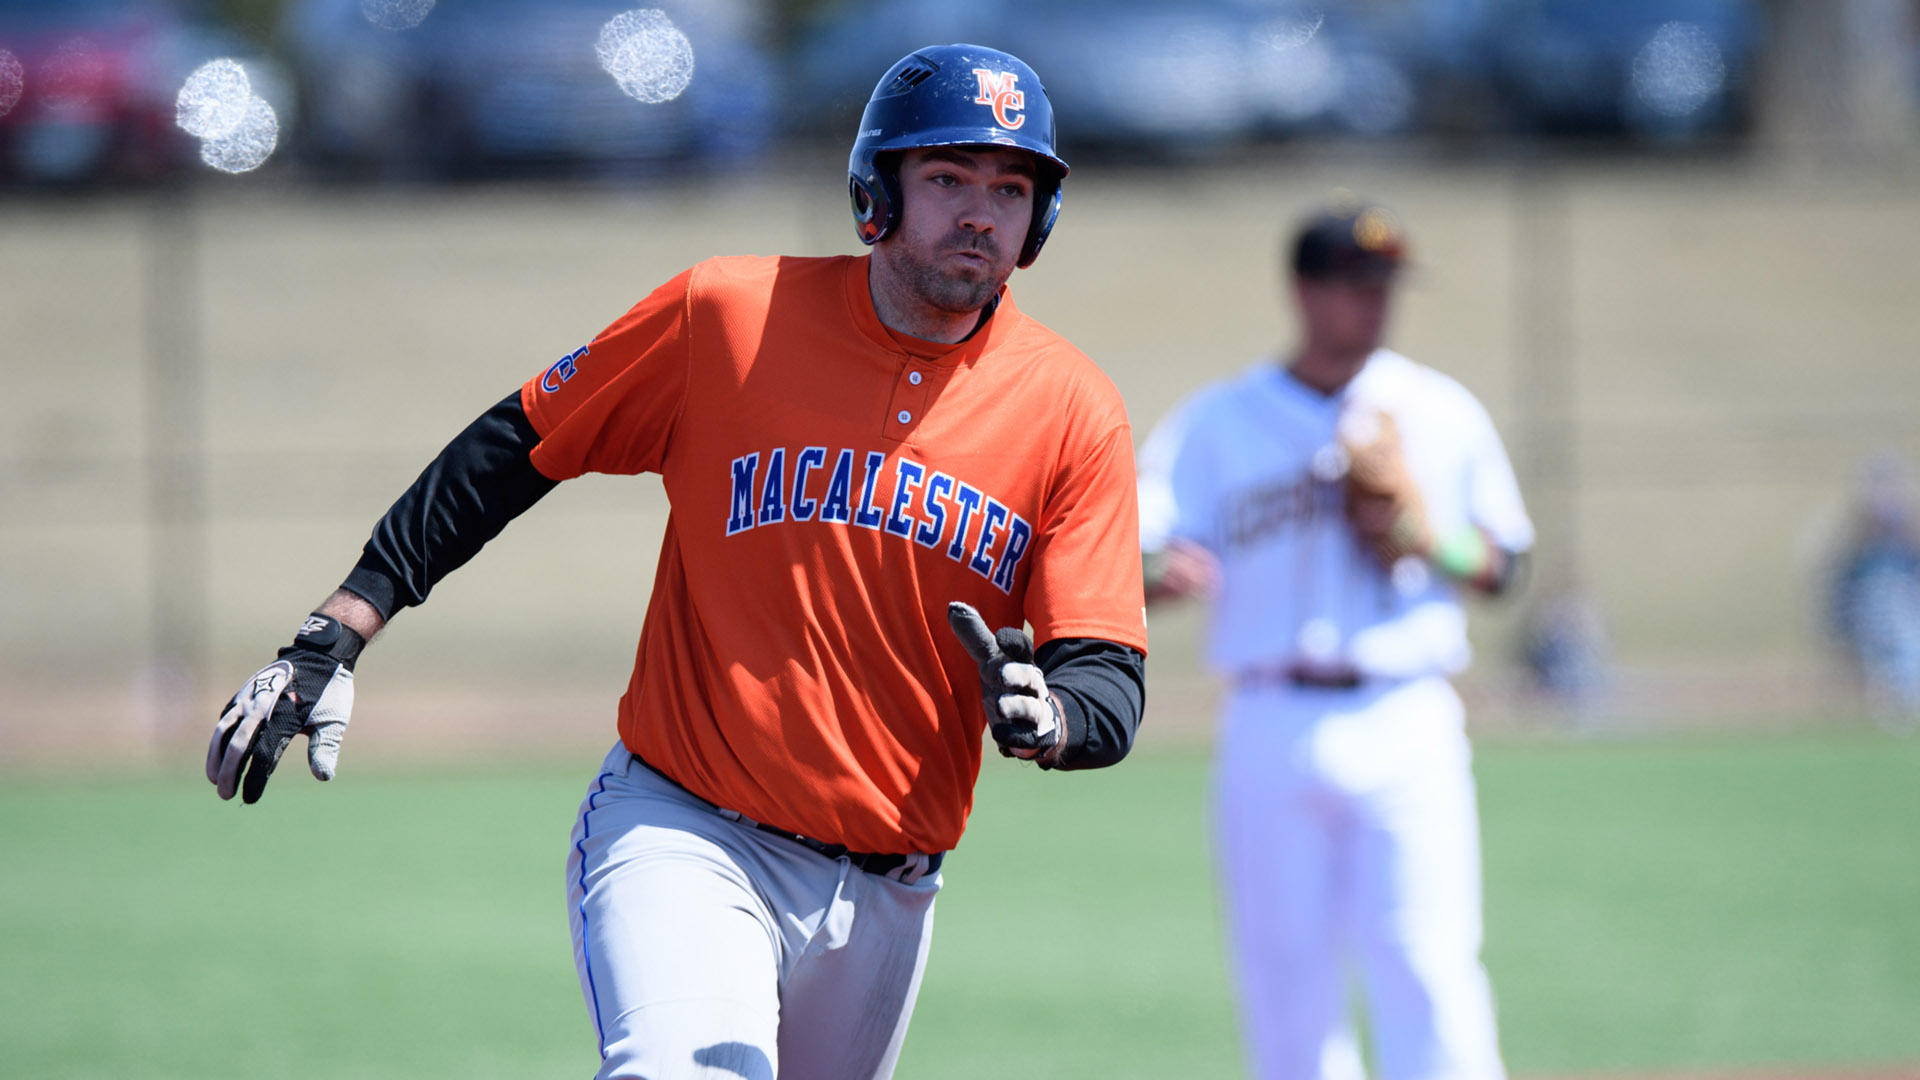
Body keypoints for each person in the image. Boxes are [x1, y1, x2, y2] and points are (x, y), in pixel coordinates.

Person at [205, 44, 1148, 1080]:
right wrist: (341, 626)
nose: (980, 213)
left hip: (890, 889)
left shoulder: (1073, 411)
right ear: (876, 192)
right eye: (949, 177)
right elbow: (519, 444)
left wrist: (1055, 718)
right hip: (690, 831)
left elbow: (1105, 669)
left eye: (1011, 188)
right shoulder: (730, 316)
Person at [1137, 198, 1532, 1080]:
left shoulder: (1438, 411)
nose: (1375, 302)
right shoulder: (1220, 422)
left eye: (1385, 285)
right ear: (1303, 292)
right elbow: (1134, 553)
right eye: (1356, 284)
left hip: (1408, 716)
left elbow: (1507, 565)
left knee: (1429, 964)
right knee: (1285, 982)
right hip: (1269, 718)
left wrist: (1428, 538)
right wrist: (1164, 573)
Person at [1824, 448, 1920, 727]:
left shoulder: (1907, 539)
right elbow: (1845, 586)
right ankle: (1888, 710)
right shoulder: (1855, 542)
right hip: (1870, 618)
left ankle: (1904, 706)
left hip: (1905, 616)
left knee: (1908, 654)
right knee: (1882, 666)